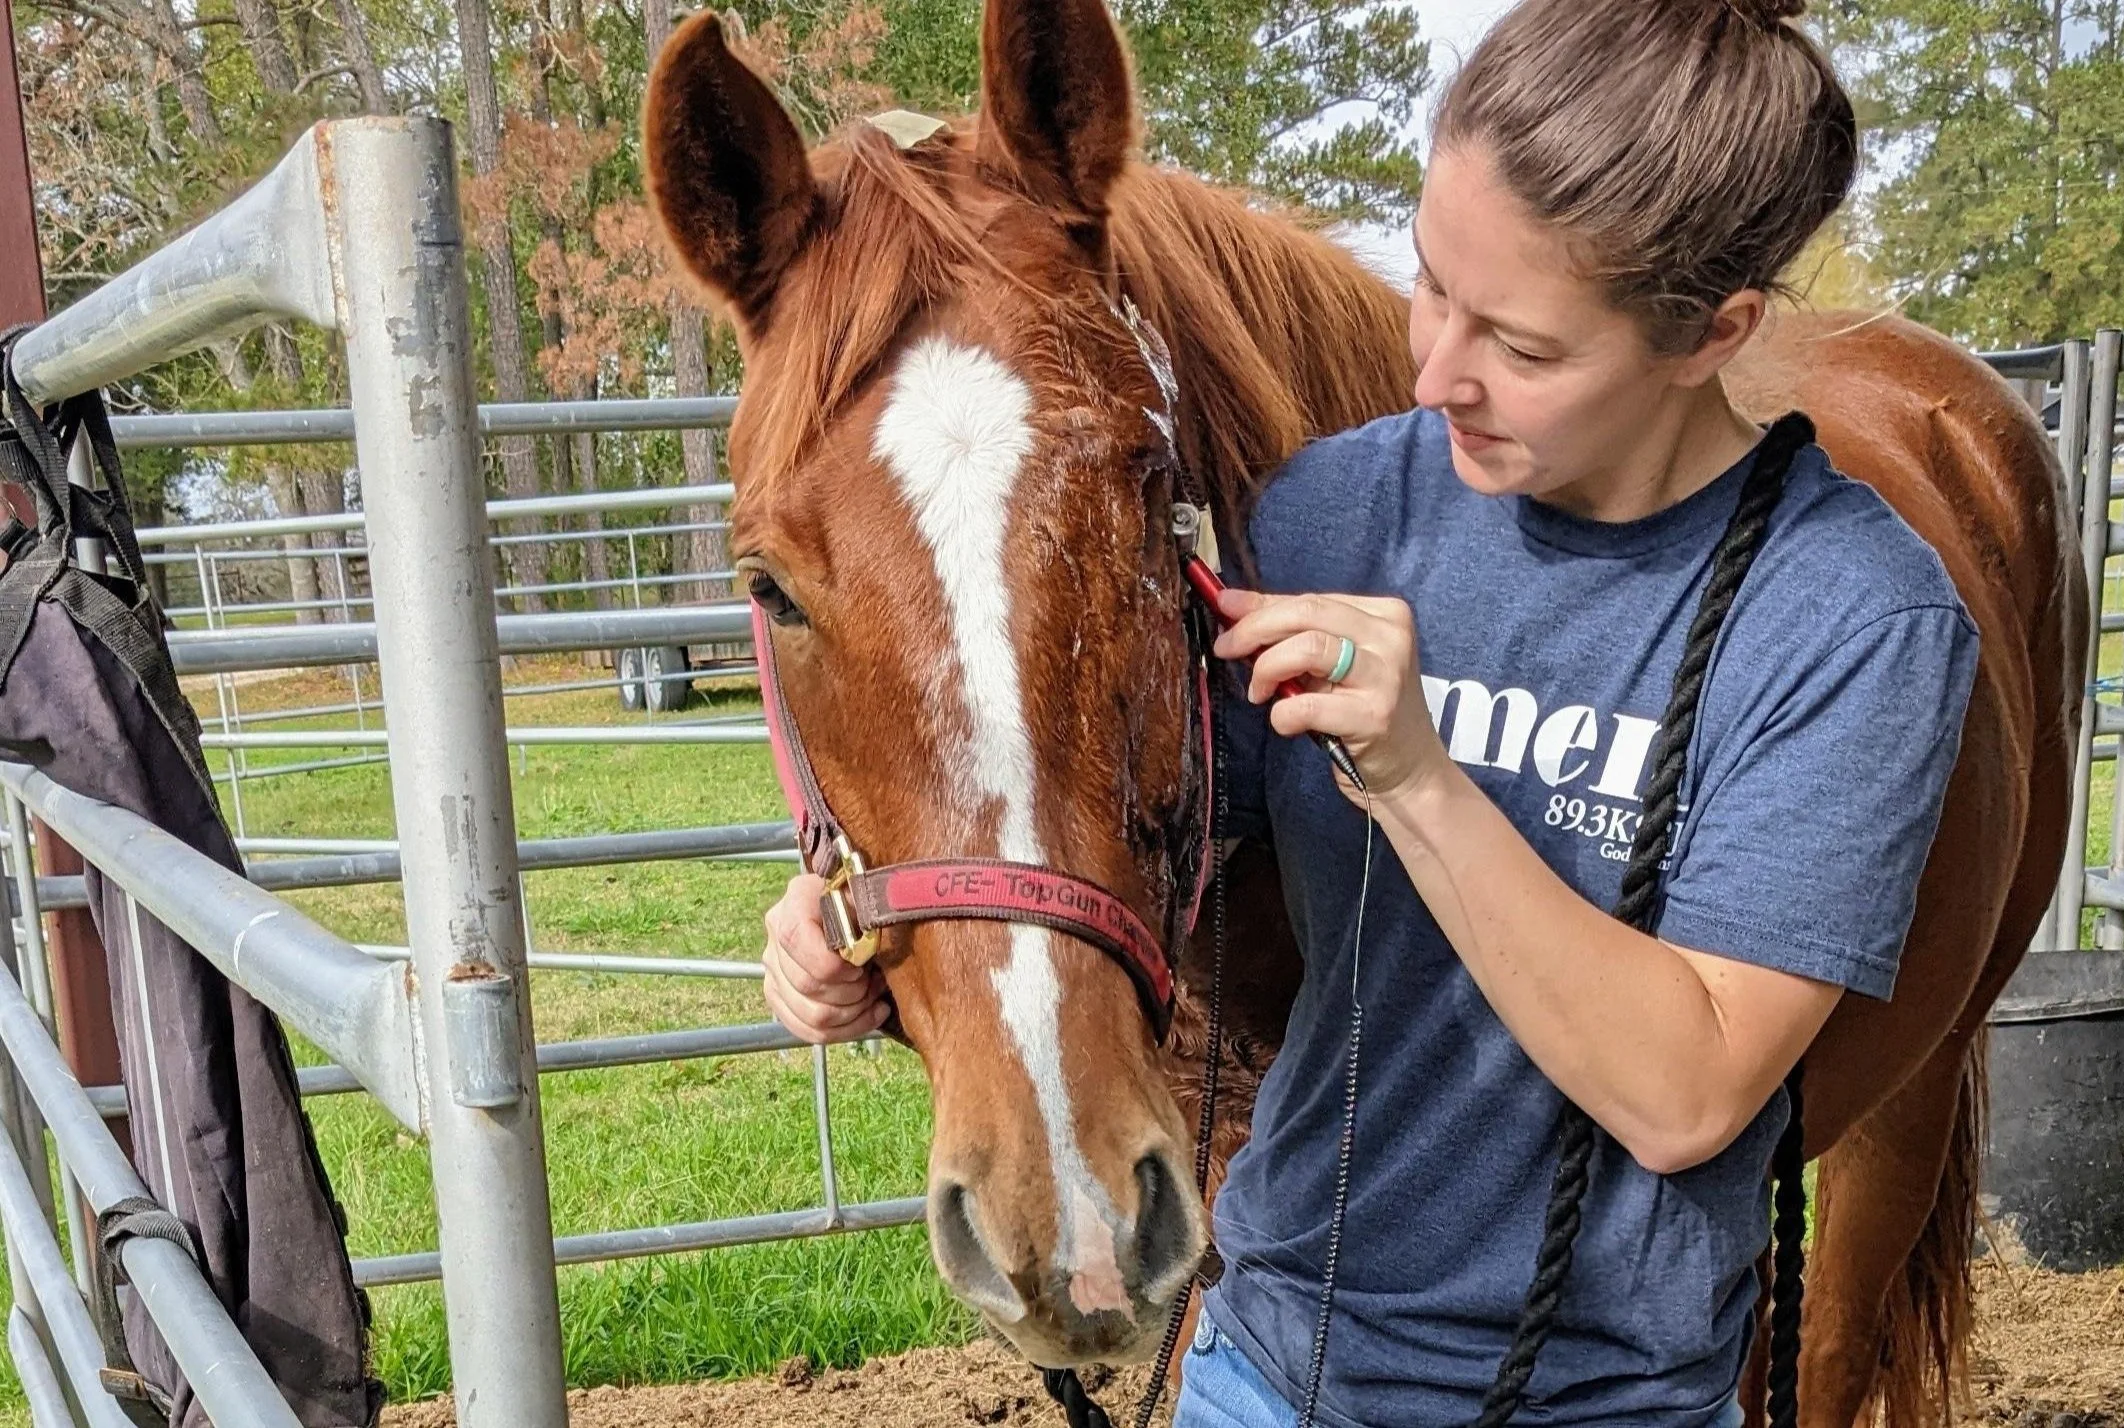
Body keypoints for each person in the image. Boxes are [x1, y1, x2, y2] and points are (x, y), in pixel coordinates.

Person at [758, 0, 1980, 1423]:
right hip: (1266, 1364)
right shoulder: (1336, 509)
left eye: (1519, 345)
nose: (1433, 373)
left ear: (1712, 333)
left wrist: (1415, 772)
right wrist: (873, 920)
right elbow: (1121, 828)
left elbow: (1687, 1095)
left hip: (1601, 1399)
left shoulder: (1847, 619)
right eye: (1430, 284)